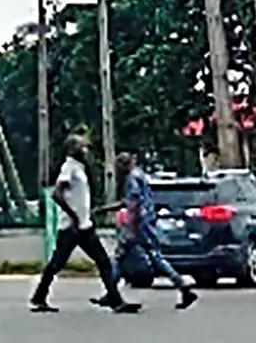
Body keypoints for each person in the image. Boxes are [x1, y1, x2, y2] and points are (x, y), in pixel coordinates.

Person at [30, 134, 137, 314]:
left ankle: (115, 300)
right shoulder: (69, 168)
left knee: (101, 262)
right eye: (82, 147)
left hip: (83, 225)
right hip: (73, 227)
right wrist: (73, 215)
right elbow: (57, 194)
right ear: (73, 149)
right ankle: (39, 297)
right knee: (61, 263)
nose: (86, 150)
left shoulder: (79, 168)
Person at [116, 151, 198, 310]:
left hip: (139, 225)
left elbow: (134, 205)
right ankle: (111, 290)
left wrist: (131, 230)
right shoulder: (141, 176)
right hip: (147, 222)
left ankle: (182, 285)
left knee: (138, 255)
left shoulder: (132, 179)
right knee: (129, 256)